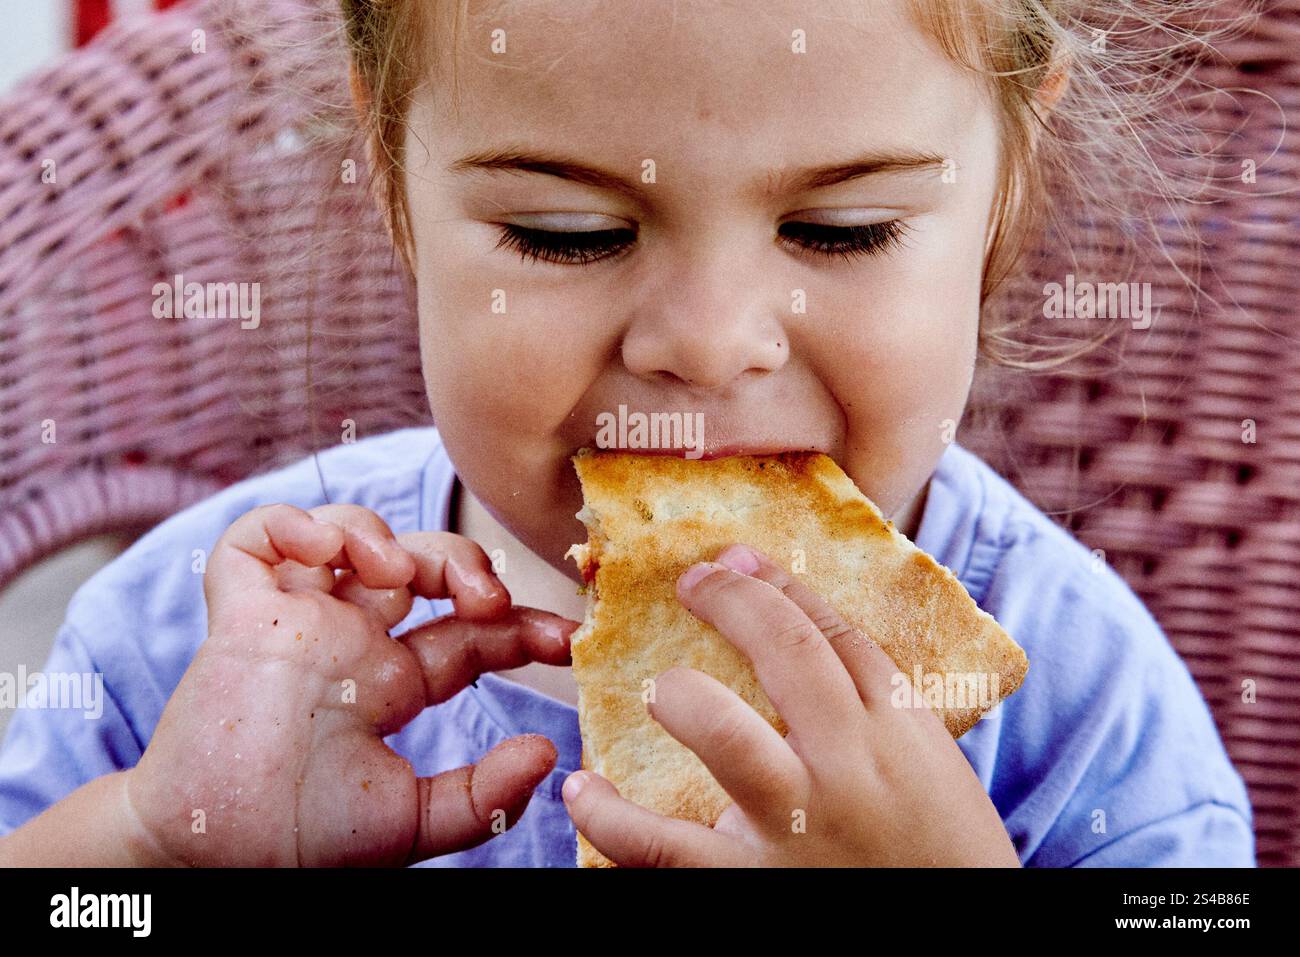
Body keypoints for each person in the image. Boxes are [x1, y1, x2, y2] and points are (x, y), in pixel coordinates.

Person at [0, 0, 1254, 866]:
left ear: (1008, 181)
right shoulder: (201, 648)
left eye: (844, 229)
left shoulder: (1083, 713)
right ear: (390, 171)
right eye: (568, 233)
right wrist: (155, 847)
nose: (708, 343)